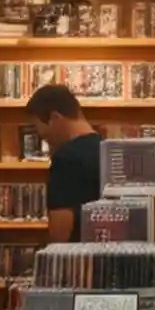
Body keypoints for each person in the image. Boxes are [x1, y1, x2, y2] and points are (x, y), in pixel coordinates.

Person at [26, 84, 102, 243]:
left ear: (55, 118)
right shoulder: (108, 149)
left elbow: (60, 231)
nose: (42, 137)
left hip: (76, 254)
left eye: (38, 127)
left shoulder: (65, 158)